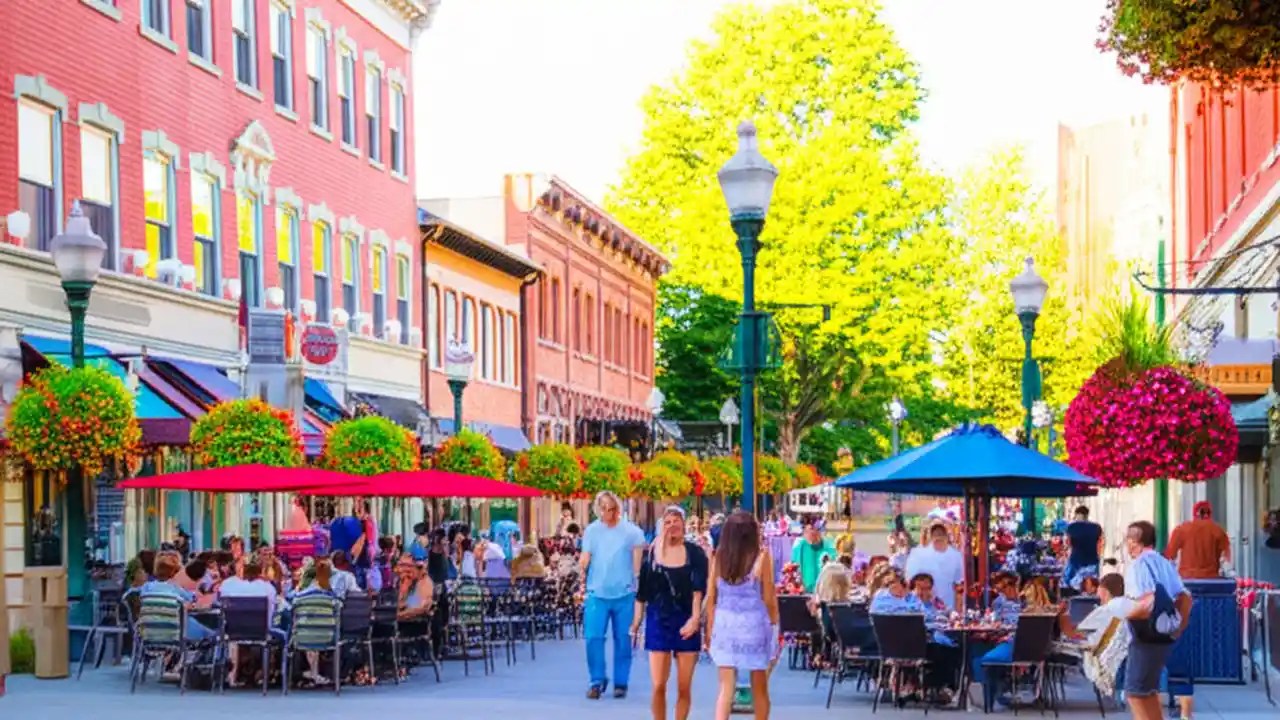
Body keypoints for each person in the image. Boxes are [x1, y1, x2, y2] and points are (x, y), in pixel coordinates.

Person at [631, 506, 708, 720]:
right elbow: (642, 594)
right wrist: (636, 624)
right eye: (667, 522)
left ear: (684, 524)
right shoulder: (651, 555)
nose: (672, 525)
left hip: (686, 618)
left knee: (684, 686)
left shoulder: (695, 553)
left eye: (676, 521)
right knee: (658, 685)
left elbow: (699, 590)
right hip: (658, 620)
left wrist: (695, 619)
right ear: (661, 527)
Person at [707, 511, 779, 720]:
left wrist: (709, 628)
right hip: (753, 625)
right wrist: (775, 623)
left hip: (725, 625)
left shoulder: (719, 557)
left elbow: (711, 596)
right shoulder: (761, 557)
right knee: (759, 687)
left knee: (725, 688)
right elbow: (769, 597)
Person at [1122, 520, 1193, 720]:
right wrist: (1179, 628)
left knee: (1135, 693)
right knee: (1149, 691)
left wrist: (1120, 612)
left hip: (1145, 635)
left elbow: (1143, 604)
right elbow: (1185, 597)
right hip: (1164, 635)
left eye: (1128, 539)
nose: (1127, 544)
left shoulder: (1137, 566)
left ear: (1134, 542)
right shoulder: (1164, 563)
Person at [580, 490, 647, 699]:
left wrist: (638, 590)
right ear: (597, 509)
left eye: (611, 508)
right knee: (593, 637)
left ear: (618, 508)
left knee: (623, 639)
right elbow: (585, 556)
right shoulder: (592, 531)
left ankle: (621, 681)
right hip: (597, 592)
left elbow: (637, 567)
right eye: (603, 508)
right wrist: (581, 568)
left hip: (624, 593)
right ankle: (597, 680)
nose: (607, 513)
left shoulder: (632, 532)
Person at [904, 522, 965, 611]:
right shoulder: (918, 554)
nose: (938, 536)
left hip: (948, 608)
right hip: (922, 608)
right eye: (935, 533)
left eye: (941, 533)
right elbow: (909, 581)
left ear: (947, 535)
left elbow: (959, 585)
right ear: (930, 536)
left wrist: (958, 610)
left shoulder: (956, 556)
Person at [1166, 501, 1230, 579]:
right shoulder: (1219, 531)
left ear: (1194, 513)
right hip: (1211, 578)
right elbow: (1227, 559)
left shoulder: (1182, 529)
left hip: (1187, 578)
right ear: (1210, 513)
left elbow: (1170, 555)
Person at [789, 517, 836, 593]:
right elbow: (793, 567)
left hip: (824, 591)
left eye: (816, 529)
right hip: (804, 590)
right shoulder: (799, 546)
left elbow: (834, 565)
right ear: (804, 532)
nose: (813, 532)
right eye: (810, 529)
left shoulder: (828, 545)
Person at [1064, 505, 1104, 590]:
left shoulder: (1071, 527)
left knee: (1071, 585)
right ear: (1087, 515)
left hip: (1075, 561)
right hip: (1092, 561)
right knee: (1092, 586)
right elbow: (1101, 543)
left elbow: (1067, 544)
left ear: (1077, 514)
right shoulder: (1097, 527)